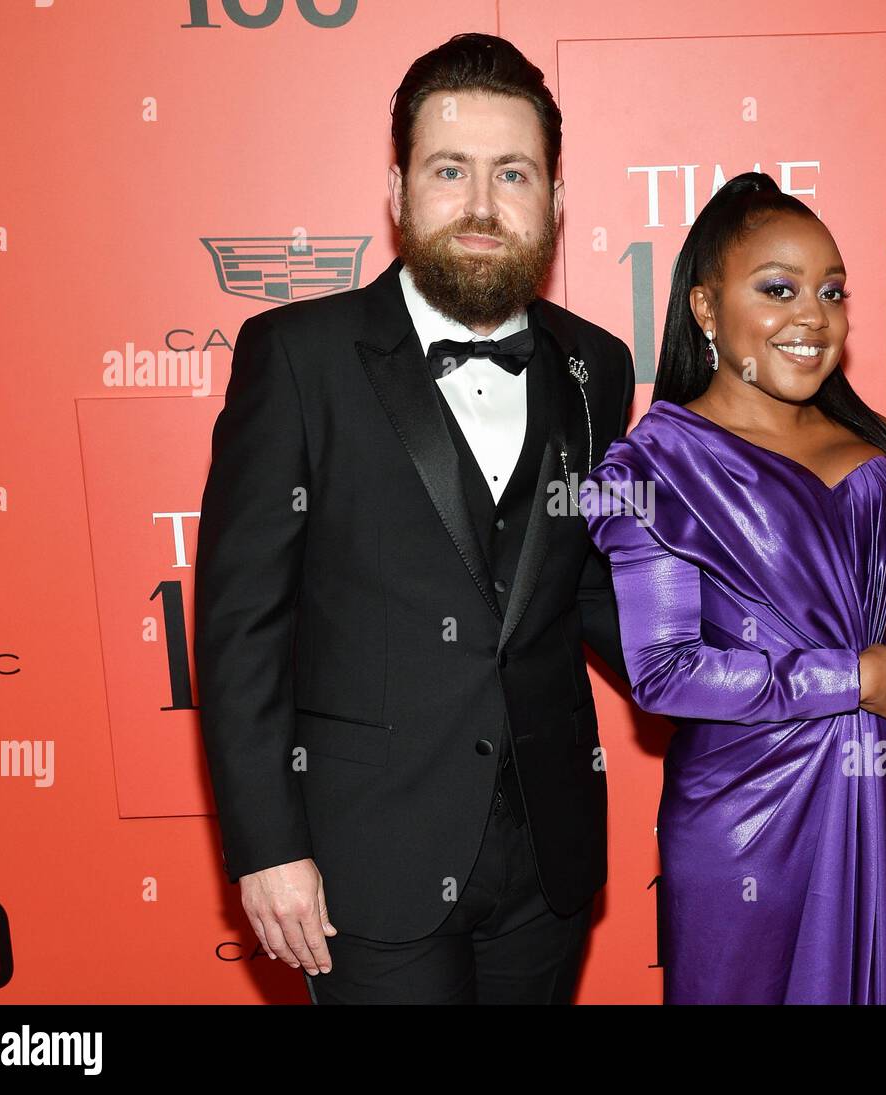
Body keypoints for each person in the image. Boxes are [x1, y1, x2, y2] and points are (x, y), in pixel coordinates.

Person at [194, 32, 634, 1005]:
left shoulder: (596, 364)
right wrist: (269, 847)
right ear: (397, 192)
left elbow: (592, 585)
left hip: (548, 858)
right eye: (450, 170)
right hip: (366, 859)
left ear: (556, 201)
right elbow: (240, 625)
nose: (482, 204)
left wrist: (761, 662)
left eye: (513, 173)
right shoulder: (299, 356)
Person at [582, 172, 886, 1004]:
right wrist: (853, 677)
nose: (814, 316)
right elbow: (666, 673)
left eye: (831, 291)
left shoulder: (873, 442)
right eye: (778, 289)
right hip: (747, 821)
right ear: (706, 310)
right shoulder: (654, 467)